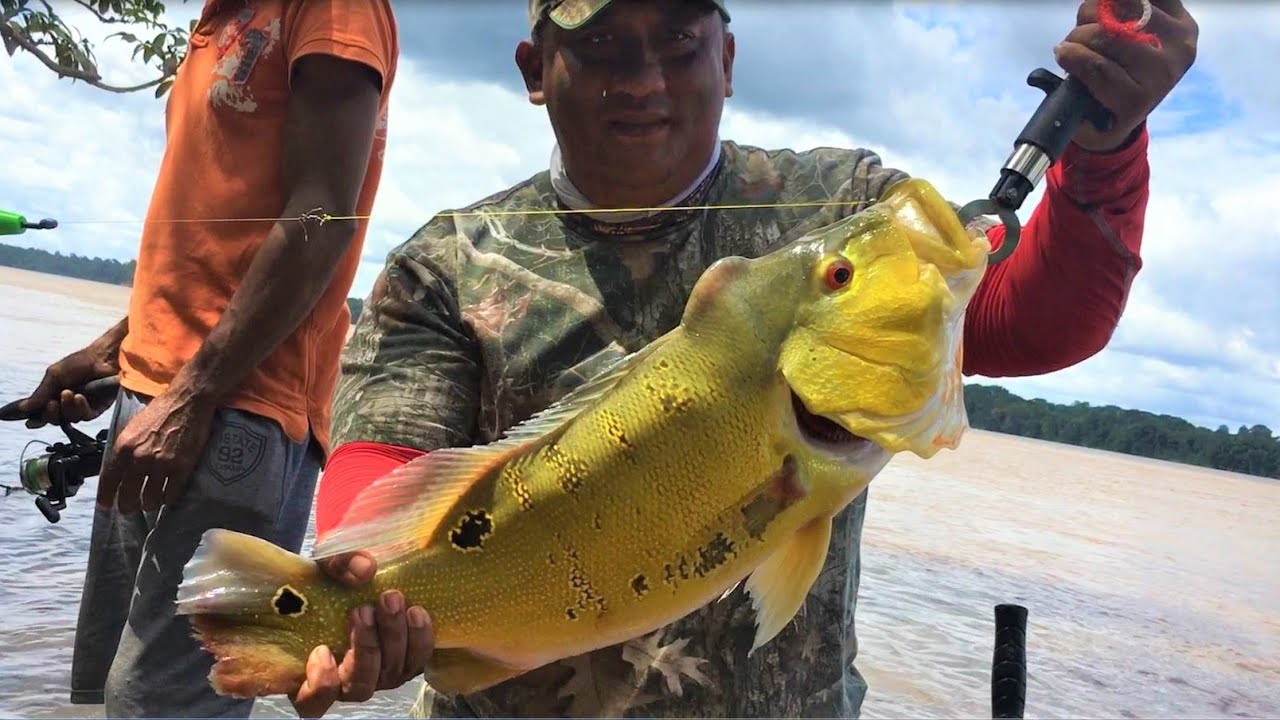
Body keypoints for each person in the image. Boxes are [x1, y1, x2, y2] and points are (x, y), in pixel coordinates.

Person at [296, 0, 1198, 717]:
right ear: (536, 70)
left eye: (679, 43)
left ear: (726, 57)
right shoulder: (447, 263)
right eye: (604, 45)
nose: (644, 78)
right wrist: (357, 597)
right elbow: (382, 479)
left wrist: (1107, 147)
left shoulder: (841, 209)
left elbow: (1028, 321)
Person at [15, 1, 399, 717]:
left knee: (163, 707)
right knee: (114, 695)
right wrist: (115, 351)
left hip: (232, 416)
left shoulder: (331, 9)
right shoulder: (222, 15)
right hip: (168, 400)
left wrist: (190, 396)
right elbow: (219, 248)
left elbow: (321, 217)